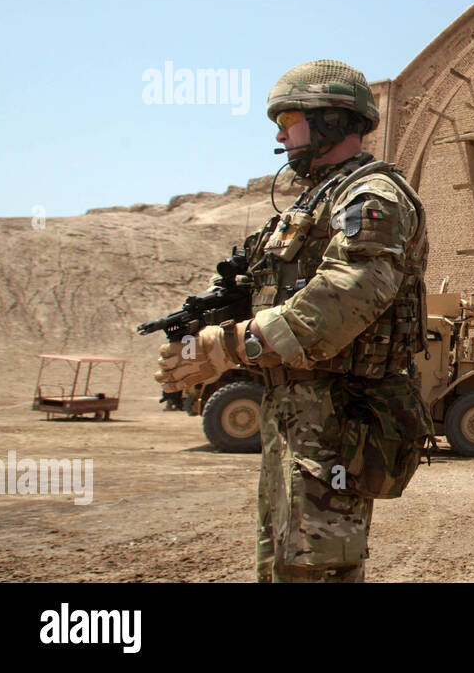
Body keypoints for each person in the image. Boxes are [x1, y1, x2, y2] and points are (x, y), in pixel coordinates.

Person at [154, 59, 431, 583]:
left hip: (336, 418)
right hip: (291, 415)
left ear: (330, 120)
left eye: (289, 118)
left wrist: (229, 347)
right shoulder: (309, 205)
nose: (280, 134)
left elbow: (343, 299)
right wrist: (202, 337)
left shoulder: (371, 198)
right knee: (280, 565)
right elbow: (263, 293)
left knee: (316, 572)